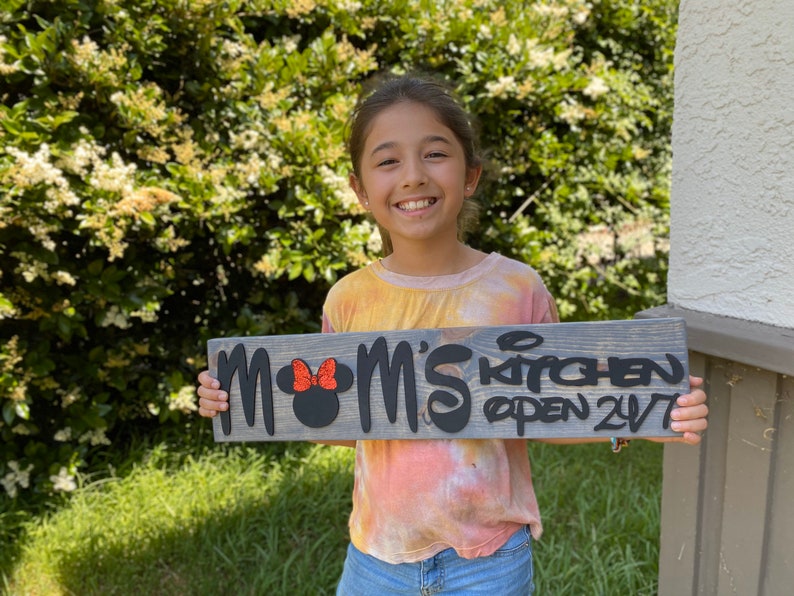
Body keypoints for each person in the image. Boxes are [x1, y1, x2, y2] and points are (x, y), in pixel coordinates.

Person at [196, 74, 708, 595]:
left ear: (470, 175)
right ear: (361, 189)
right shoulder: (348, 299)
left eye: (435, 154)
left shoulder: (516, 289)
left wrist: (635, 414)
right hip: (377, 559)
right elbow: (338, 420)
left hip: (490, 563)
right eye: (388, 161)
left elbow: (547, 409)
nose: (413, 176)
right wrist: (236, 397)